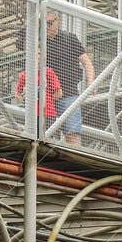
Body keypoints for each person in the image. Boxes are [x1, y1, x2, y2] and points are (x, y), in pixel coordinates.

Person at [45, 13, 95, 147]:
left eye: (50, 23)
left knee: (73, 133)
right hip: (45, 96)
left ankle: (73, 158)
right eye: (42, 23)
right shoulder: (37, 40)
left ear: (57, 22)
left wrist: (91, 82)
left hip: (68, 93)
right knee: (42, 132)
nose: (47, 27)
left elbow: (86, 62)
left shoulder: (69, 38)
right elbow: (20, 40)